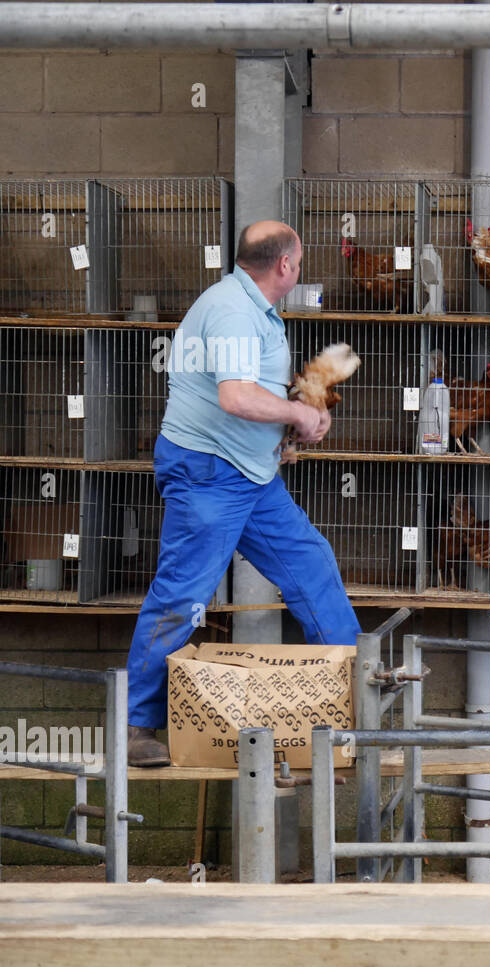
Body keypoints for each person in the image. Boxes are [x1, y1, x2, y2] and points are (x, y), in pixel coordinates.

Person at [124, 221, 361, 766]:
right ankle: (140, 726)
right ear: (285, 265)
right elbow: (234, 396)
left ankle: (354, 690)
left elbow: (249, 395)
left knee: (311, 563)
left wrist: (281, 437)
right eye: (299, 260)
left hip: (251, 474)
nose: (300, 269)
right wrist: (299, 412)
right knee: (184, 593)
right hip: (209, 472)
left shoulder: (257, 312)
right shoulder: (231, 309)